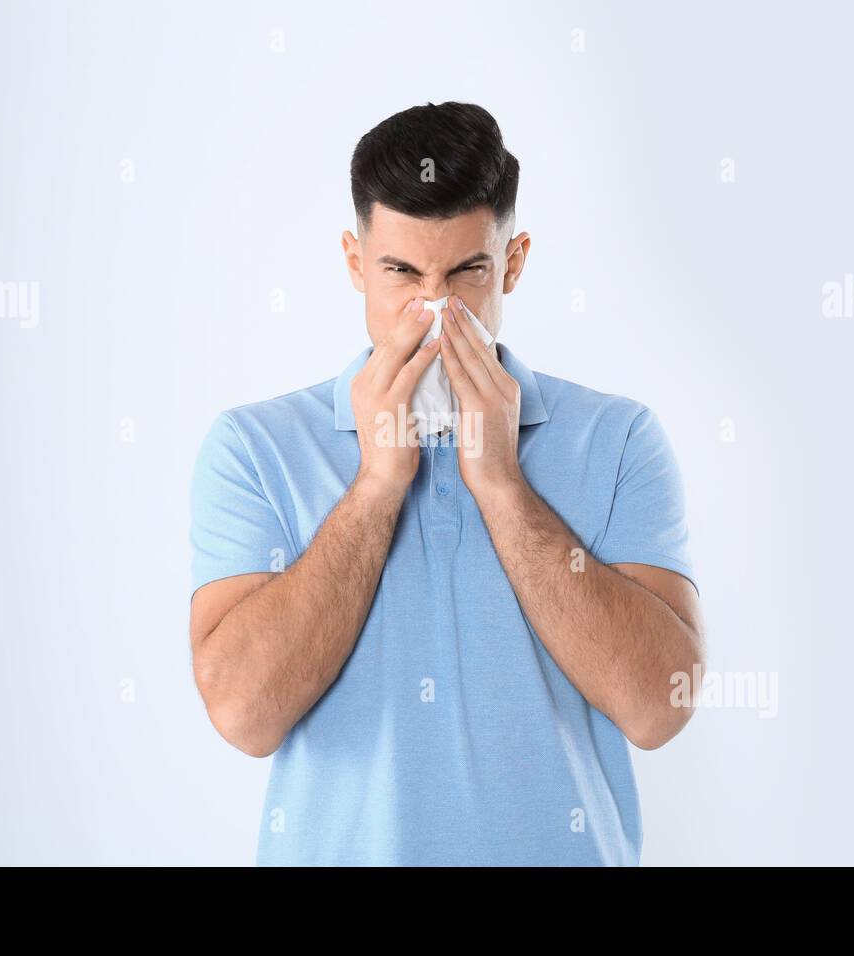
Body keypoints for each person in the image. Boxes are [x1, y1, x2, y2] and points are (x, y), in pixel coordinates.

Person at [188, 101, 705, 866]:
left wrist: (501, 483)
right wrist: (375, 485)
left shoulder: (620, 439)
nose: (433, 308)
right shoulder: (254, 448)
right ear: (356, 263)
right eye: (401, 271)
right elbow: (242, 715)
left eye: (467, 270)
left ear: (515, 262)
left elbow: (662, 708)